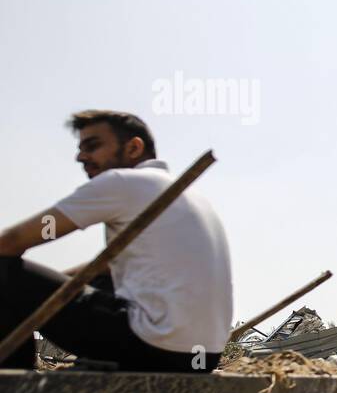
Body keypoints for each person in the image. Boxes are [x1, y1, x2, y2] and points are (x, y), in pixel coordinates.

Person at [0, 110, 234, 375]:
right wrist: (39, 291)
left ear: (134, 147)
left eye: (92, 146)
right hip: (199, 357)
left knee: (3, 271)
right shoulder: (181, 192)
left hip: (150, 346)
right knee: (101, 280)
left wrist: (18, 291)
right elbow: (107, 269)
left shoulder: (122, 182)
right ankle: (81, 384)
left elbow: (11, 242)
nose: (81, 157)